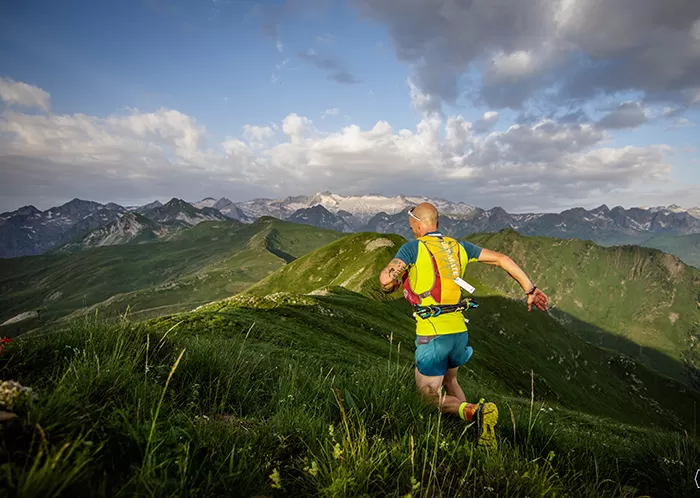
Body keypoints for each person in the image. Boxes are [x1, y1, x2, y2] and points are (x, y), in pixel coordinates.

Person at [378, 202, 549, 448]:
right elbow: (502, 259)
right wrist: (530, 289)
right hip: (459, 331)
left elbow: (385, 279)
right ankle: (477, 434)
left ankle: (476, 413)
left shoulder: (412, 248)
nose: (411, 229)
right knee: (451, 381)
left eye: (411, 224)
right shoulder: (458, 247)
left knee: (428, 398)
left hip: (433, 333)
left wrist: (394, 280)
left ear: (417, 223)